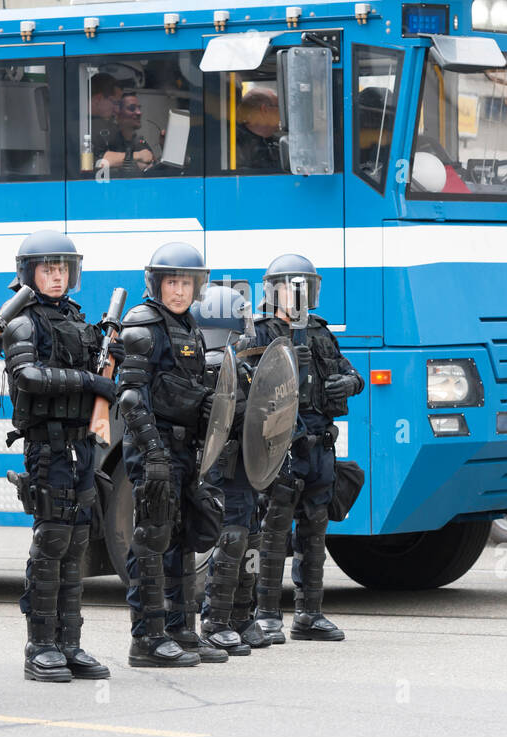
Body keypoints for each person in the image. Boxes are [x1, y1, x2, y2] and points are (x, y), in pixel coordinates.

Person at [2, 230, 115, 682]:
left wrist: (110, 364)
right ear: (29, 273)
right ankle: (40, 646)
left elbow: (98, 373)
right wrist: (88, 383)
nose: (57, 276)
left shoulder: (80, 322)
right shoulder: (22, 322)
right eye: (48, 269)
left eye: (63, 268)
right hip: (47, 448)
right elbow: (28, 376)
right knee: (50, 543)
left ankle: (71, 643)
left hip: (81, 446)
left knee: (78, 544)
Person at [117, 242, 228, 667]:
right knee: (151, 540)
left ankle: (181, 627)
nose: (179, 290)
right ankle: (145, 638)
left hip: (186, 450)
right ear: (156, 284)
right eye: (171, 282)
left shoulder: (188, 327)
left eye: (186, 282)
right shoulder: (143, 325)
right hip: (154, 451)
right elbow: (131, 398)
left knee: (182, 540)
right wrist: (154, 454)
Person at [251, 254, 363, 641]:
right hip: (282, 444)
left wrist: (350, 384)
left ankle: (309, 613)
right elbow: (247, 391)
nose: (295, 294)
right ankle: (265, 613)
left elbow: (350, 372)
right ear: (274, 290)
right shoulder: (261, 332)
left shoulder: (318, 331)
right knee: (274, 527)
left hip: (318, 446)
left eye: (303, 286)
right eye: (288, 286)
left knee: (315, 527)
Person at [194, 285, 271, 655]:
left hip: (246, 467)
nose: (246, 328)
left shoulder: (235, 364)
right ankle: (216, 619)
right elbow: (221, 417)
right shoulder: (211, 367)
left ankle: (243, 616)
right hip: (225, 469)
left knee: (251, 540)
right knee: (232, 540)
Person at [235, 87, 281, 171]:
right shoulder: (237, 146)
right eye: (279, 107)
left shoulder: (274, 141)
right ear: (265, 110)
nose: (281, 115)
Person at [116, 90, 156, 171]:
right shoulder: (111, 142)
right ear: (118, 114)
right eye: (132, 108)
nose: (139, 112)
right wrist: (136, 161)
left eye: (139, 108)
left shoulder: (140, 142)